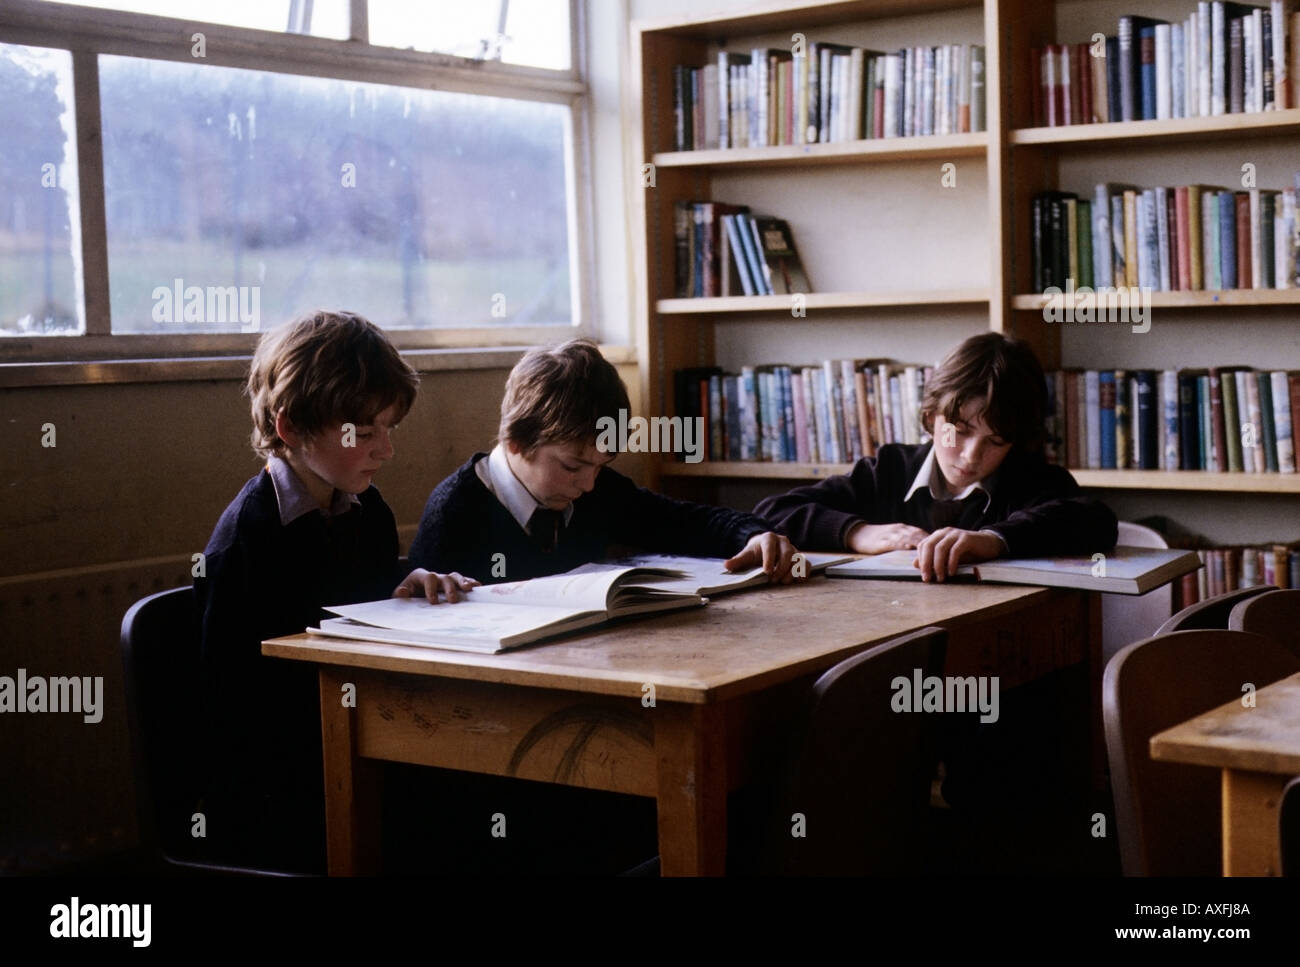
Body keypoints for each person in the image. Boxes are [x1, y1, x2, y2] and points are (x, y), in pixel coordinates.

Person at [194, 309, 473, 872]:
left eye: (387, 428)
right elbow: (238, 708)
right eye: (364, 432)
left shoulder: (366, 514)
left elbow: (357, 620)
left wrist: (403, 590)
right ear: (290, 427)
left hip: (360, 739)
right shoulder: (248, 541)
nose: (385, 450)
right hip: (284, 776)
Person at [406, 338, 802, 586]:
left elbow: (684, 521)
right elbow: (415, 619)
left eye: (601, 465)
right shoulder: (456, 511)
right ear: (515, 443)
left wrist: (753, 535)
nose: (590, 485)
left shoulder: (596, 491)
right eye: (573, 466)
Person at [754, 332, 1117, 579]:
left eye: (995, 442)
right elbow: (771, 512)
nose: (971, 456)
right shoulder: (891, 470)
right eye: (958, 432)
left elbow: (1096, 521)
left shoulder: (1032, 480)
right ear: (930, 417)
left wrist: (993, 540)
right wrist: (857, 533)